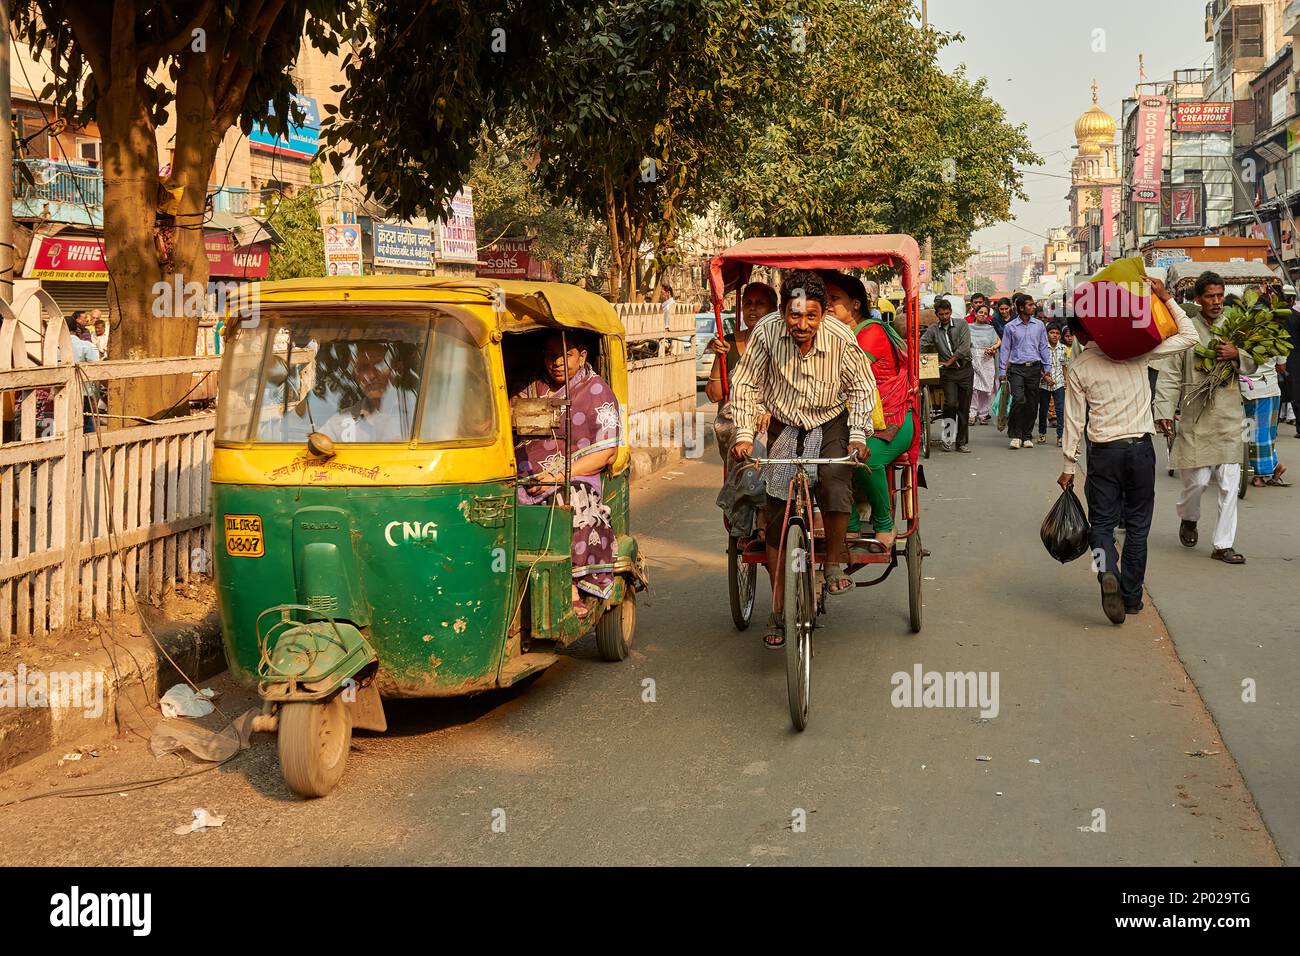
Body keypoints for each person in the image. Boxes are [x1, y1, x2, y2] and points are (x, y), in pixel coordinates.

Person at [730, 270, 875, 648]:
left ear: (823, 313)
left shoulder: (841, 337)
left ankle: (831, 564)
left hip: (831, 420)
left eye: (811, 316)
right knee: (777, 511)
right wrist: (745, 435)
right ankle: (778, 609)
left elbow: (861, 387)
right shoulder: (765, 333)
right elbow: (745, 384)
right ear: (782, 311)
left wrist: (858, 436)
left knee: (834, 478)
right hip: (784, 422)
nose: (802, 325)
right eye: (795, 315)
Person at [1059, 276, 1199, 624]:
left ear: (1079, 334)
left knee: (1101, 526)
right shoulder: (1138, 352)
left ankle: (1106, 571)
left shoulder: (1078, 367)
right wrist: (1166, 298)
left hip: (1103, 452)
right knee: (1137, 526)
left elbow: (1073, 420)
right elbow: (1189, 337)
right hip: (1140, 450)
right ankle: (1132, 598)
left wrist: (1067, 465)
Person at [513, 330, 621, 619]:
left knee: (569, 500)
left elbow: (606, 453)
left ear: (582, 356)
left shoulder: (597, 391)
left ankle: (572, 584)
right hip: (525, 474)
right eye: (550, 354)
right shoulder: (529, 388)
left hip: (575, 476)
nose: (557, 361)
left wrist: (553, 477)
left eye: (566, 354)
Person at [1153, 271, 1256, 566]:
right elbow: (1171, 375)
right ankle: (1189, 517)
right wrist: (1163, 411)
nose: (1216, 302)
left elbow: (1253, 366)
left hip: (1228, 417)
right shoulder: (1187, 332)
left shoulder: (1235, 328)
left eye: (1219, 296)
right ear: (1198, 300)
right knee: (1196, 482)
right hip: (1195, 417)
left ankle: (1223, 545)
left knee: (1228, 483)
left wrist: (1237, 354)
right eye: (1210, 296)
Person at [822, 271, 914, 549]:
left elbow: (837, 375)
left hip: (890, 418)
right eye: (824, 299)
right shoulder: (834, 334)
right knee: (821, 461)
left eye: (834, 299)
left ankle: (884, 524)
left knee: (864, 458)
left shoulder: (870, 332)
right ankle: (847, 523)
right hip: (848, 419)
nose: (827, 304)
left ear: (855, 304)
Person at [318, 342, 417, 442]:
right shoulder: (340, 423)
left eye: (379, 365)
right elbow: (316, 448)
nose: (371, 375)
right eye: (363, 367)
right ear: (356, 375)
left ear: (396, 369)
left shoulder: (417, 411)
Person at [998, 293, 1053, 450]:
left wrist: (1047, 367)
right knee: (1019, 399)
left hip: (1034, 368)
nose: (1033, 307)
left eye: (1033, 304)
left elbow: (1043, 346)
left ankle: (1027, 435)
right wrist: (1002, 370)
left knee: (1031, 402)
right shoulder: (1010, 327)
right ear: (1021, 307)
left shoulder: (1039, 325)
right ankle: (1015, 434)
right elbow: (1005, 348)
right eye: (1030, 305)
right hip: (1016, 368)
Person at [919, 297, 973, 452]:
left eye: (947, 313)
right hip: (948, 374)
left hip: (965, 370)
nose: (944, 317)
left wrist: (949, 361)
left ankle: (961, 442)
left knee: (964, 407)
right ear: (937, 314)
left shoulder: (962, 324)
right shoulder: (933, 330)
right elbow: (922, 344)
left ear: (951, 312)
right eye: (941, 314)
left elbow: (964, 348)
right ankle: (948, 437)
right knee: (951, 404)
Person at [1241, 355, 1289, 487]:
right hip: (1270, 388)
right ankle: (1275, 465)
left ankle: (1260, 474)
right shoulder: (1277, 335)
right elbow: (1281, 366)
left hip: (1249, 388)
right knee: (1266, 434)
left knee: (1253, 433)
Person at [1037, 324, 1068, 446]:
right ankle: (1042, 434)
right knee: (1043, 410)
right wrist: (1045, 377)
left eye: (1057, 333)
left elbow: (1065, 366)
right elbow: (1038, 366)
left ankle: (1060, 436)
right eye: (1052, 333)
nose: (1054, 335)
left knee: (1060, 410)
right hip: (1044, 383)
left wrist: (1067, 381)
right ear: (1047, 334)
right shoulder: (1042, 348)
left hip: (1059, 383)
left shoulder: (1063, 348)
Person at [968, 305, 1000, 425]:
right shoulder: (968, 327)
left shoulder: (991, 329)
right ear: (975, 314)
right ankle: (971, 413)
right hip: (972, 359)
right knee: (974, 388)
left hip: (987, 360)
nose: (982, 315)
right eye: (980, 312)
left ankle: (983, 413)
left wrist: (992, 349)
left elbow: (997, 342)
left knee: (986, 389)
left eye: (985, 313)